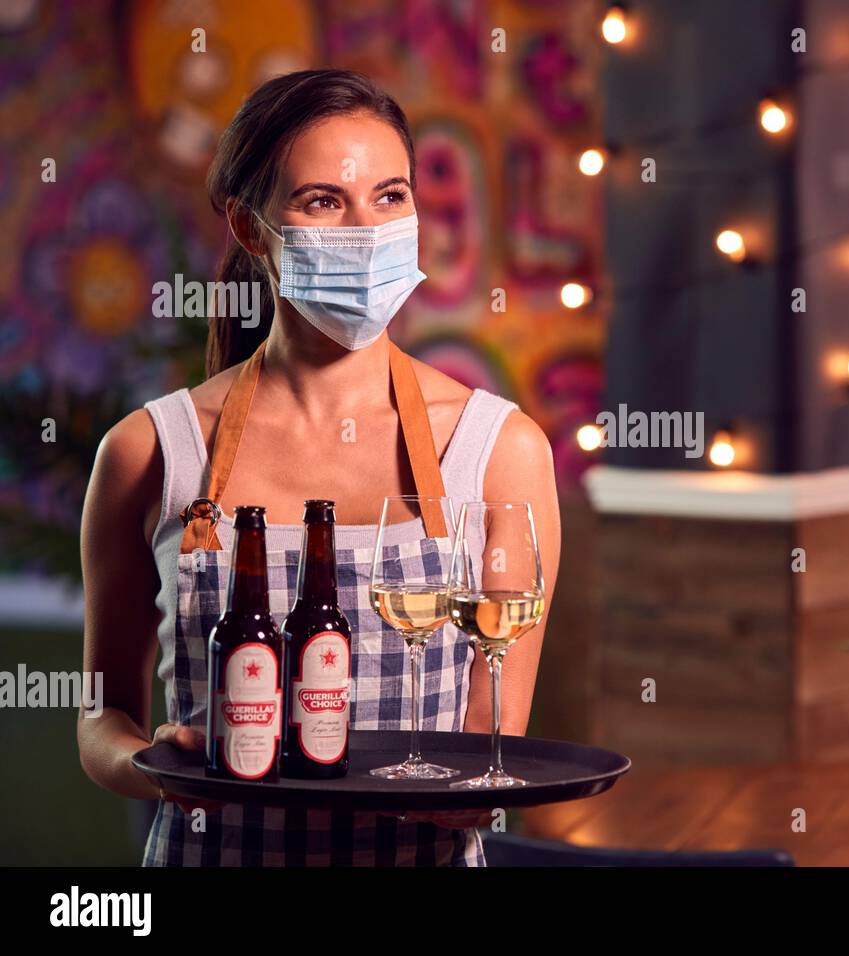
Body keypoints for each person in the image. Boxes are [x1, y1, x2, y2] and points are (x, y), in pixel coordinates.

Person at [76, 69, 561, 866]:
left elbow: (491, 746)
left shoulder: (499, 453)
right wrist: (159, 765)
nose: (367, 229)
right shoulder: (150, 451)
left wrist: (466, 803)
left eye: (391, 195)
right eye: (323, 201)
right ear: (250, 227)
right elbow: (101, 722)